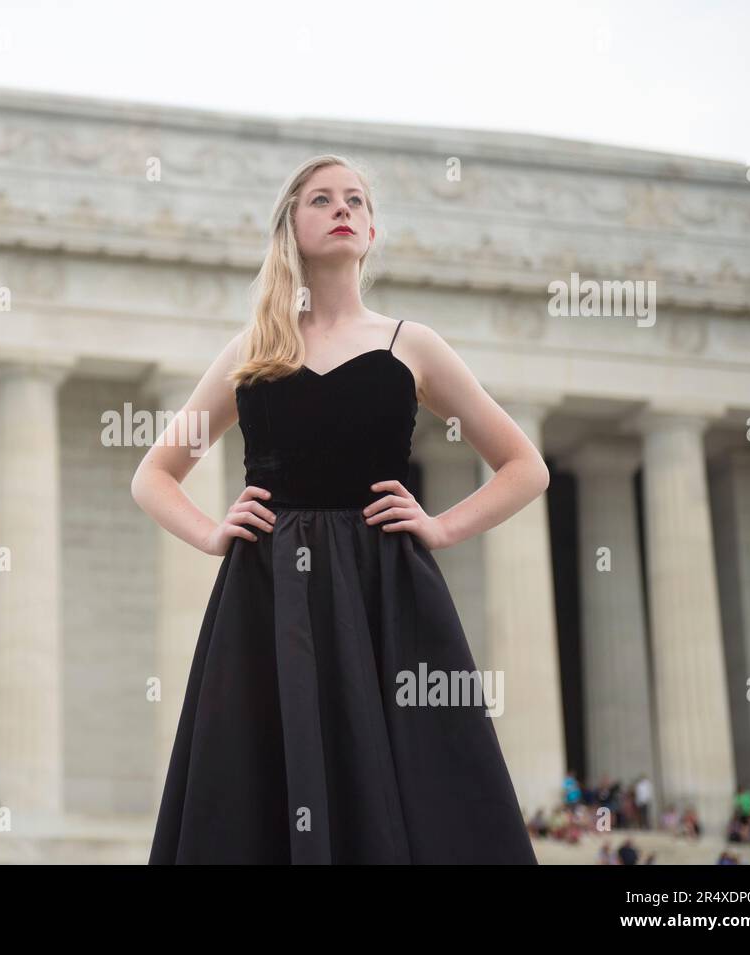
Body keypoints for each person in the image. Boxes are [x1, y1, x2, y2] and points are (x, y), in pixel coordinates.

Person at [136, 155, 547, 864]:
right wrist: (212, 533)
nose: (342, 208)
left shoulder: (409, 344)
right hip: (267, 598)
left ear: (372, 230)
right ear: (291, 226)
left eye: (355, 199)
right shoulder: (254, 351)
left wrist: (441, 525)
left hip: (382, 588)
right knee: (257, 784)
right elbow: (155, 474)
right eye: (321, 199)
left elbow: (525, 465)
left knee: (408, 785)